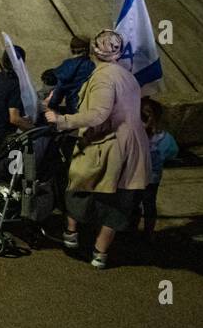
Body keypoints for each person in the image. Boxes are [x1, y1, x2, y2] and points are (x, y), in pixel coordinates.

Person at [43, 29, 150, 269]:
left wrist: (62, 120)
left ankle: (71, 234)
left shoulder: (103, 77)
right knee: (119, 201)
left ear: (94, 51)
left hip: (109, 143)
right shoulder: (127, 76)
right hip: (133, 145)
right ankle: (100, 255)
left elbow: (98, 115)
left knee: (77, 184)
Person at [133, 98, 178, 242]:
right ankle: (132, 228)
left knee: (149, 203)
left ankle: (148, 231)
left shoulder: (163, 138)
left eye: (146, 115)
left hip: (151, 178)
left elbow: (171, 153)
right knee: (133, 202)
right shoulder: (135, 133)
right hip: (134, 175)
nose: (143, 119)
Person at [45, 35, 94, 113]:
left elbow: (59, 89)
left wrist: (52, 105)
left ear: (71, 49)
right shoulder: (92, 66)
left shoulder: (66, 65)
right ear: (88, 49)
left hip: (72, 107)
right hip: (90, 106)